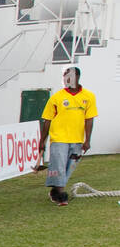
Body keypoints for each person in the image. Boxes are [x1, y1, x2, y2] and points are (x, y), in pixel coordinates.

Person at [36, 67, 96, 206]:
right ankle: (62, 195)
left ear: (77, 77)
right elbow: (47, 120)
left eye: (70, 76)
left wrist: (87, 140)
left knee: (69, 168)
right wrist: (42, 141)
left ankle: (55, 191)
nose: (67, 79)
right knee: (59, 165)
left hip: (77, 140)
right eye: (65, 76)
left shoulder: (89, 96)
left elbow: (89, 119)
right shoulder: (56, 97)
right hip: (59, 139)